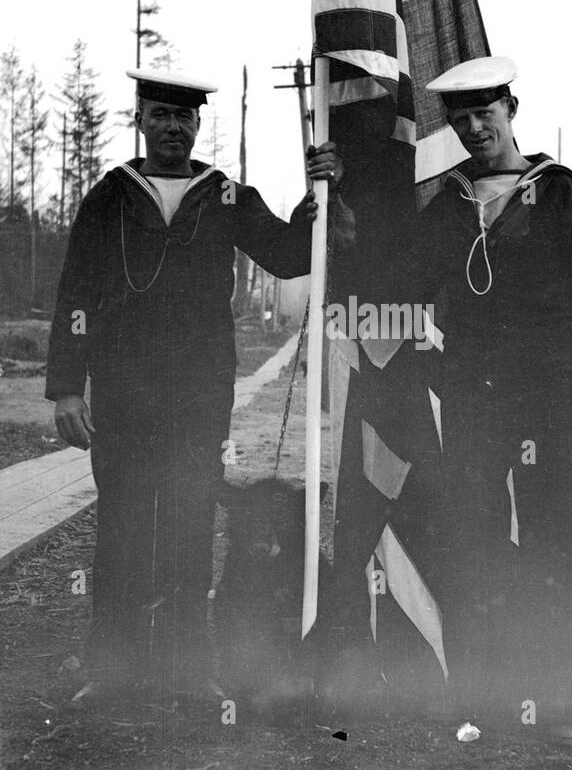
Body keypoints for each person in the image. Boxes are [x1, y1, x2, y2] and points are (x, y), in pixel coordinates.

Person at [46, 68, 347, 704]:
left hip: (198, 394)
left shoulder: (227, 197)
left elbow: (291, 253)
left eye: (184, 117)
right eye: (161, 115)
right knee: (122, 528)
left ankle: (188, 672)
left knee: (187, 526)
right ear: (142, 119)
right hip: (124, 394)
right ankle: (112, 670)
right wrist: (67, 389)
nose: (173, 127)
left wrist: (317, 194)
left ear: (197, 125)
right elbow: (75, 295)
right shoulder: (109, 198)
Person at [371, 56, 572, 736]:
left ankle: (566, 704)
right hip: (472, 404)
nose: (475, 128)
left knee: (555, 544)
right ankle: (484, 701)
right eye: (462, 119)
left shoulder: (560, 192)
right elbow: (404, 282)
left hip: (550, 399)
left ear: (511, 110)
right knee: (475, 542)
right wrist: (338, 213)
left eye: (486, 113)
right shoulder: (450, 206)